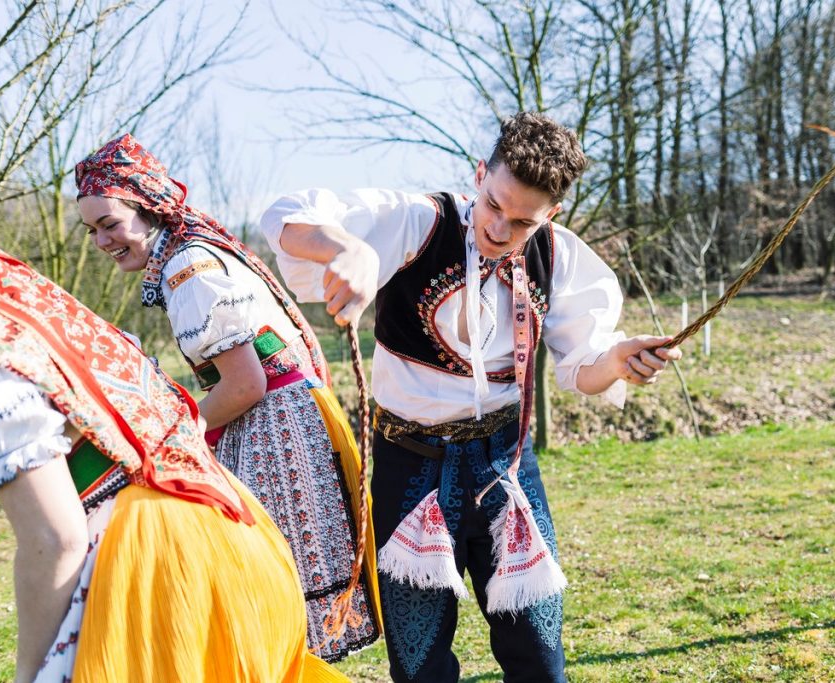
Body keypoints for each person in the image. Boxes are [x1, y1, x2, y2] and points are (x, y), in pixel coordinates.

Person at [259, 111, 683, 683]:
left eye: (523, 221)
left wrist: (616, 361)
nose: (501, 229)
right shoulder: (418, 223)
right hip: (410, 463)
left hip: (505, 463)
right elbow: (285, 215)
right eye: (493, 204)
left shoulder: (557, 256)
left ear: (551, 215)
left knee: (538, 645)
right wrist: (347, 250)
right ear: (480, 175)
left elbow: (582, 366)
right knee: (419, 656)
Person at [0, 227, 347, 682]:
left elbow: (56, 541)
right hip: (242, 540)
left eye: (108, 224)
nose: (100, 240)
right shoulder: (30, 300)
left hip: (165, 566)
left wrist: (29, 672)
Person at [74, 135, 381, 662]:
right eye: (92, 230)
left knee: (269, 603)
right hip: (283, 418)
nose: (102, 241)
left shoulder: (188, 269)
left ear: (148, 208)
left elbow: (244, 385)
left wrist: (170, 436)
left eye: (110, 224)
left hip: (272, 432)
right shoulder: (192, 253)